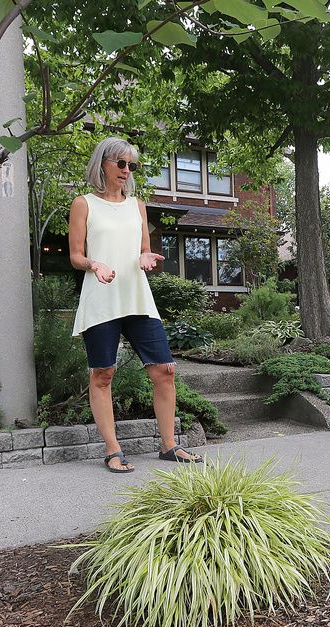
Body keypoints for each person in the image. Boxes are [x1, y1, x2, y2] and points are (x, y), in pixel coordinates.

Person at [69, 136, 203, 472]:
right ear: (103, 163)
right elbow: (75, 255)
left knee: (165, 370)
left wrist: (146, 257)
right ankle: (113, 450)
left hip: (137, 297)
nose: (127, 171)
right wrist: (93, 264)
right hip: (101, 298)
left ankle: (169, 445)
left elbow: (143, 247)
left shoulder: (137, 205)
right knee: (103, 374)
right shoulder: (84, 203)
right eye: (121, 163)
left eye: (132, 165)